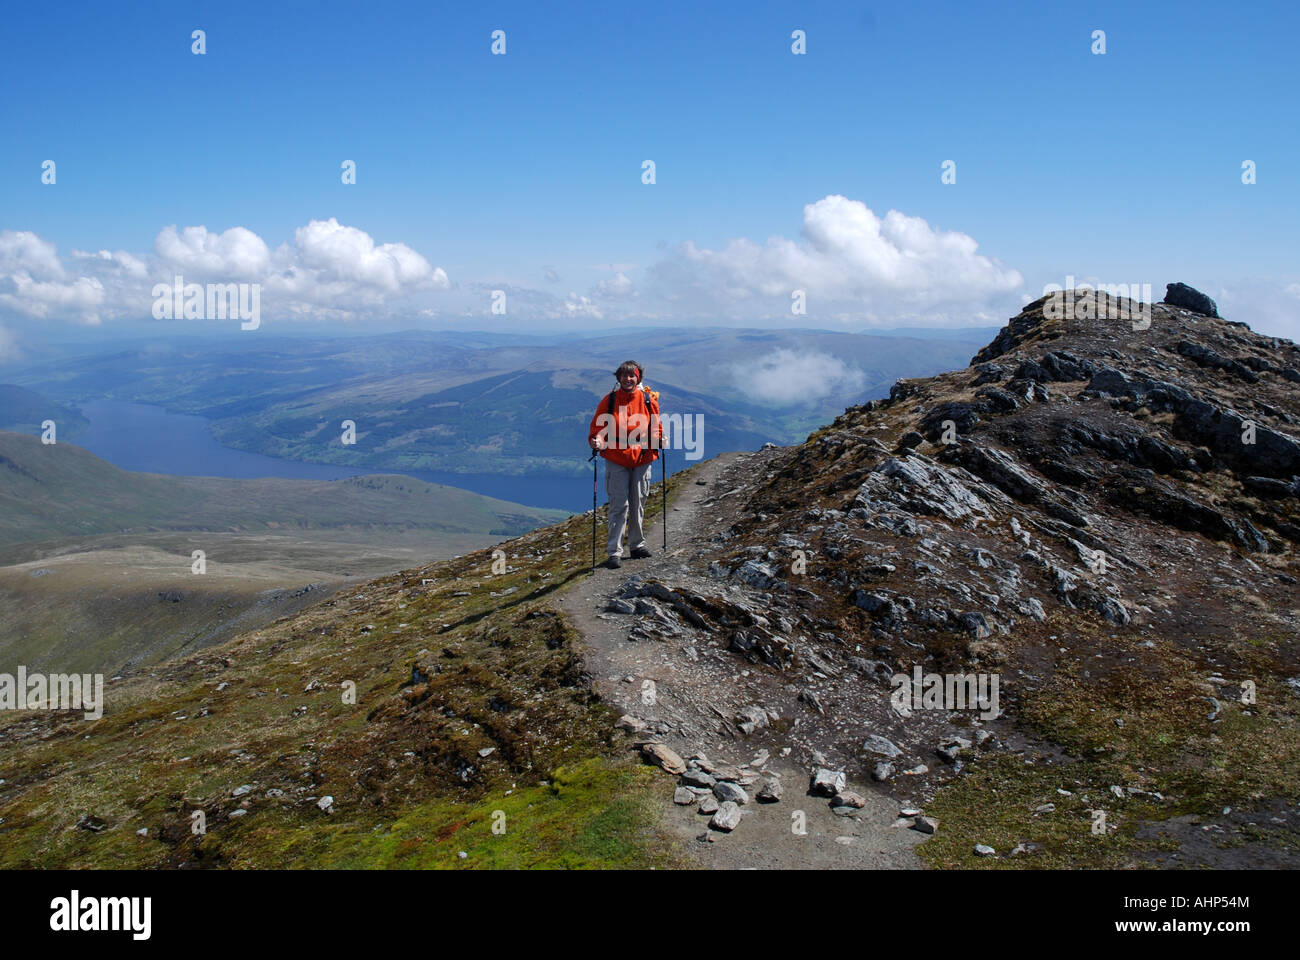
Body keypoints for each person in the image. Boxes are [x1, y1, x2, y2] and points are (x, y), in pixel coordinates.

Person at [588, 360, 665, 569]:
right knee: (619, 505)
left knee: (638, 502)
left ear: (638, 378)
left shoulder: (648, 400)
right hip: (617, 458)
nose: (628, 379)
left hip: (642, 457)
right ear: (618, 378)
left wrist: (659, 439)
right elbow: (597, 429)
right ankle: (615, 552)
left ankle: (637, 545)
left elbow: (656, 426)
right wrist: (597, 441)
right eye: (624, 375)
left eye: (632, 375)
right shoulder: (610, 400)